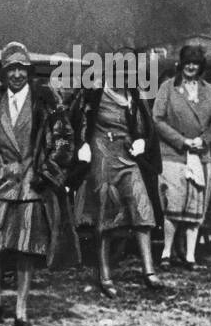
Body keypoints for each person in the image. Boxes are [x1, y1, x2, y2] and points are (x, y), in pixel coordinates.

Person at [0, 42, 79, 326]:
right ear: (3, 73)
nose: (16, 74)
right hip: (1, 183)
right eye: (11, 69)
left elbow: (65, 136)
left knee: (26, 247)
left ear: (28, 71)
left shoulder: (45, 99)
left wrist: (49, 171)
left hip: (31, 183)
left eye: (21, 68)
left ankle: (21, 306)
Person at [69, 75, 167, 296]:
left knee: (141, 205)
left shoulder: (134, 94)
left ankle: (149, 270)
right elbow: (78, 119)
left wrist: (142, 140)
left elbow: (145, 125)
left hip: (126, 153)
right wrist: (81, 143)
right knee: (105, 211)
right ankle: (104, 274)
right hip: (101, 152)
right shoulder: (93, 92)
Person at [151, 45, 211, 268]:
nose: (191, 67)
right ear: (181, 65)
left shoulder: (207, 90)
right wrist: (182, 141)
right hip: (174, 155)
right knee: (173, 203)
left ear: (201, 67)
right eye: (188, 63)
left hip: (200, 156)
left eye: (196, 63)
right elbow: (157, 119)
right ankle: (166, 252)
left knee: (195, 205)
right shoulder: (168, 88)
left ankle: (190, 255)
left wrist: (205, 139)